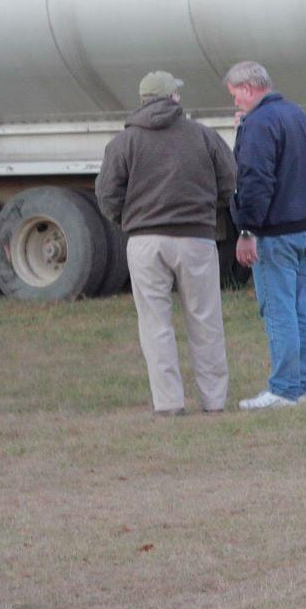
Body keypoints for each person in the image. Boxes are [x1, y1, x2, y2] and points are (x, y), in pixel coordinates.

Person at [95, 71, 238, 416]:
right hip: (196, 239)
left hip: (145, 241)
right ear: (172, 98)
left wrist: (127, 219)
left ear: (144, 100)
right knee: (205, 320)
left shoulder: (124, 142)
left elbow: (106, 193)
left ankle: (169, 403)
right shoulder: (203, 135)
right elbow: (229, 178)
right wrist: (208, 209)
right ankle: (214, 400)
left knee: (155, 323)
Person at [225, 61, 306, 411]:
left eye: (235, 94)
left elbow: (255, 180)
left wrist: (247, 230)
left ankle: (283, 389)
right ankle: (303, 385)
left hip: (276, 234)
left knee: (279, 310)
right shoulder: (295, 114)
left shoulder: (258, 123)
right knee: (300, 308)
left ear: (248, 88)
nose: (235, 101)